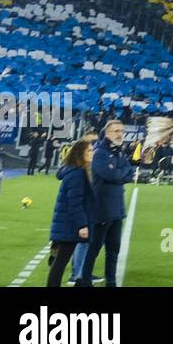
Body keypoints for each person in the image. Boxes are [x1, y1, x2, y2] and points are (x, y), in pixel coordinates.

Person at [78, 121, 135, 287]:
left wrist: (120, 173)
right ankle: (85, 281)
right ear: (107, 133)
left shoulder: (119, 152)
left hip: (117, 208)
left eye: (122, 131)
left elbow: (128, 174)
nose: (120, 134)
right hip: (101, 208)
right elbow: (109, 175)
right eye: (116, 131)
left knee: (113, 250)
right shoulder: (100, 152)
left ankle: (111, 282)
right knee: (94, 249)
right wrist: (121, 174)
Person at [47, 140, 95, 288]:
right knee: (60, 263)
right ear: (81, 154)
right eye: (89, 150)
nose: (92, 153)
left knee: (60, 262)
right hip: (69, 224)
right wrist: (82, 225)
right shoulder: (77, 174)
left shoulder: (75, 171)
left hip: (66, 223)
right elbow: (74, 203)